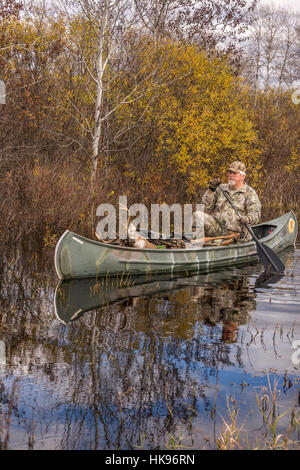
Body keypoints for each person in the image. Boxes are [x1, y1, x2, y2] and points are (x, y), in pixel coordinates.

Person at [200, 161, 261, 242]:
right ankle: (198, 241)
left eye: (234, 173)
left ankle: (222, 242)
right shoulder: (220, 188)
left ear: (243, 176)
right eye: (229, 172)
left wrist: (248, 218)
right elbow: (206, 206)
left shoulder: (249, 192)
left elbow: (255, 213)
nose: (231, 175)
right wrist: (211, 190)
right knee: (197, 215)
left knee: (235, 223)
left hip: (237, 234)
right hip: (218, 229)